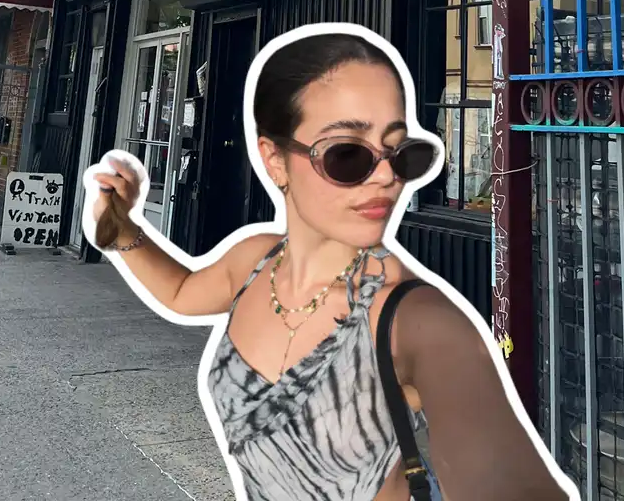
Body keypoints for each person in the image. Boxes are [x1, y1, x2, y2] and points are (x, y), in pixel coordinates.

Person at [88, 26, 573, 501]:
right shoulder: (255, 259)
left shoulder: (420, 323)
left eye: (402, 154)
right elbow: (181, 291)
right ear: (274, 160)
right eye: (347, 154)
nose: (387, 178)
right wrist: (122, 228)